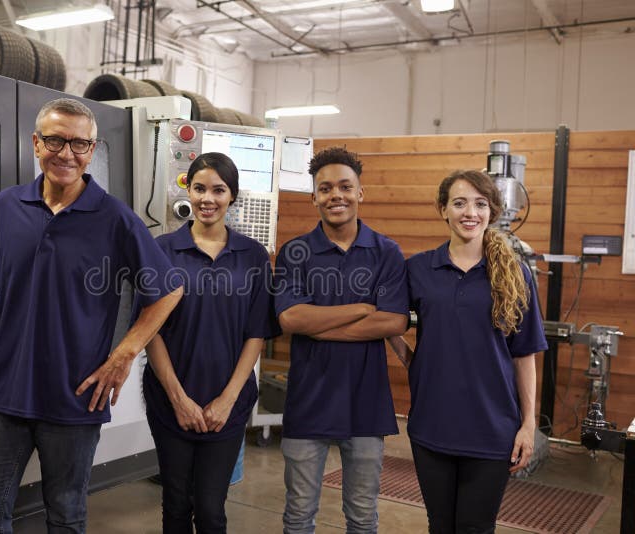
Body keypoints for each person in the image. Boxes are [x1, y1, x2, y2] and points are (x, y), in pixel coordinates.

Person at [0, 98, 182, 533]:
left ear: (91, 150)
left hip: (76, 396)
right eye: (56, 140)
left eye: (80, 143)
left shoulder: (114, 217)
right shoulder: (6, 207)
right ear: (36, 144)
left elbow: (169, 289)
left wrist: (125, 353)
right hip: (5, 393)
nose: (67, 153)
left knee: (65, 515)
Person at [389, 169, 547, 534]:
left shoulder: (515, 274)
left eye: (479, 204)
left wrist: (528, 424)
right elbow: (389, 322)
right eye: (459, 203)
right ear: (443, 209)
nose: (469, 213)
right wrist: (412, 360)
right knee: (440, 525)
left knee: (476, 527)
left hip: (492, 431)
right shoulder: (417, 269)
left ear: (491, 211)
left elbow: (524, 355)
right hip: (432, 425)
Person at [135, 152, 279, 533]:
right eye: (199, 188)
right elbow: (151, 331)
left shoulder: (252, 255)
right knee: (176, 504)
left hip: (227, 405)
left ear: (232, 196)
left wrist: (228, 399)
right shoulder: (162, 250)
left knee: (212, 510)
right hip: (171, 401)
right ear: (188, 191)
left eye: (219, 190)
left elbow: (256, 332)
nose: (207, 199)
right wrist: (178, 399)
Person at [273, 146, 409, 534]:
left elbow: (395, 321)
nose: (336, 195)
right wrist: (364, 308)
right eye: (325, 188)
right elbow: (291, 318)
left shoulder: (386, 252)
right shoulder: (294, 252)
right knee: (298, 517)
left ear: (360, 193)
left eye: (345, 187)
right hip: (308, 400)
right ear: (314, 196)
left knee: (363, 517)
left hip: (366, 403)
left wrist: (319, 322)